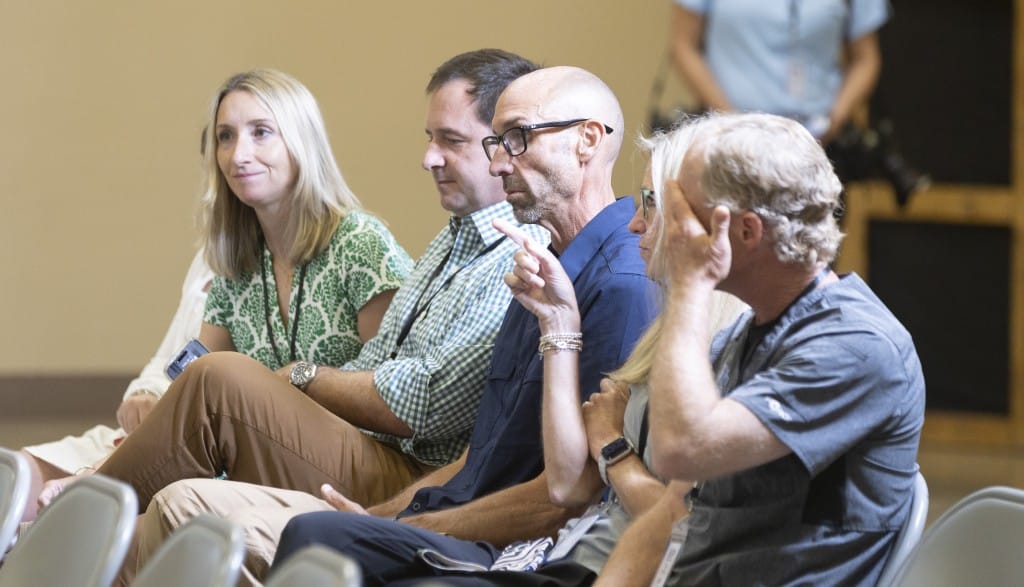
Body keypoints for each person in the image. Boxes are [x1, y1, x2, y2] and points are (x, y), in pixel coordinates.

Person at [106, 49, 549, 584]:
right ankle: (85, 516)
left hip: (414, 476)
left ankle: (85, 505)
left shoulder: (513, 254)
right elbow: (377, 361)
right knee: (174, 485)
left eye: (449, 141)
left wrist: (301, 377)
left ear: (505, 146)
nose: (429, 158)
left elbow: (423, 405)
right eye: (225, 136)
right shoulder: (452, 241)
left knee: (218, 381)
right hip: (356, 446)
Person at [269, 65, 658, 587]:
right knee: (324, 533)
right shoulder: (542, 269)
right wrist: (384, 517)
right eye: (496, 142)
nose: (497, 163)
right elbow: (480, 457)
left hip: (521, 547)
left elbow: (567, 496)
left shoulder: (622, 285)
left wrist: (414, 525)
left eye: (517, 138)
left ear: (587, 140)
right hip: (461, 515)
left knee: (316, 536)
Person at [36, 68, 414, 507]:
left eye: (261, 133)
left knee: (220, 380)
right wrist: (117, 443)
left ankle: (92, 499)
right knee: (149, 520)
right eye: (226, 137)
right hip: (270, 461)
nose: (239, 155)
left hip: (369, 465)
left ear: (301, 142)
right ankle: (93, 503)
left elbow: (394, 398)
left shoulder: (360, 242)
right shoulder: (238, 261)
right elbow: (188, 382)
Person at [597, 112, 925, 586]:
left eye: (682, 212)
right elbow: (673, 509)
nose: (655, 227)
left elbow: (679, 451)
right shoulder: (745, 333)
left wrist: (691, 282)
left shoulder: (858, 348)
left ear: (746, 233)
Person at [18, 250, 213, 522]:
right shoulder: (212, 256)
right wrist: (144, 392)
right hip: (146, 431)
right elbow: (167, 359)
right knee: (14, 477)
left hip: (188, 442)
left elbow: (214, 388)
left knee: (77, 512)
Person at [670, 0, 889, 145]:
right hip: (728, 141)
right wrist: (732, 124)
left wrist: (833, 121)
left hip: (816, 145)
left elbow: (866, 59)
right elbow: (683, 46)